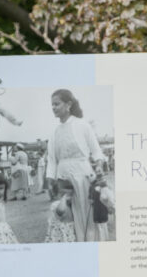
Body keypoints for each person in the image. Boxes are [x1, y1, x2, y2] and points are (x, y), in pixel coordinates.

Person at [45, 88, 106, 242]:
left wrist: (98, 166)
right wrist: (50, 180)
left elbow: (96, 151)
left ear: (68, 104)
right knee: (66, 214)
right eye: (52, 105)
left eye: (56, 104)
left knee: (86, 213)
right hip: (63, 178)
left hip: (82, 174)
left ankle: (89, 241)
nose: (53, 108)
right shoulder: (54, 132)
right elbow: (52, 159)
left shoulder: (82, 125)